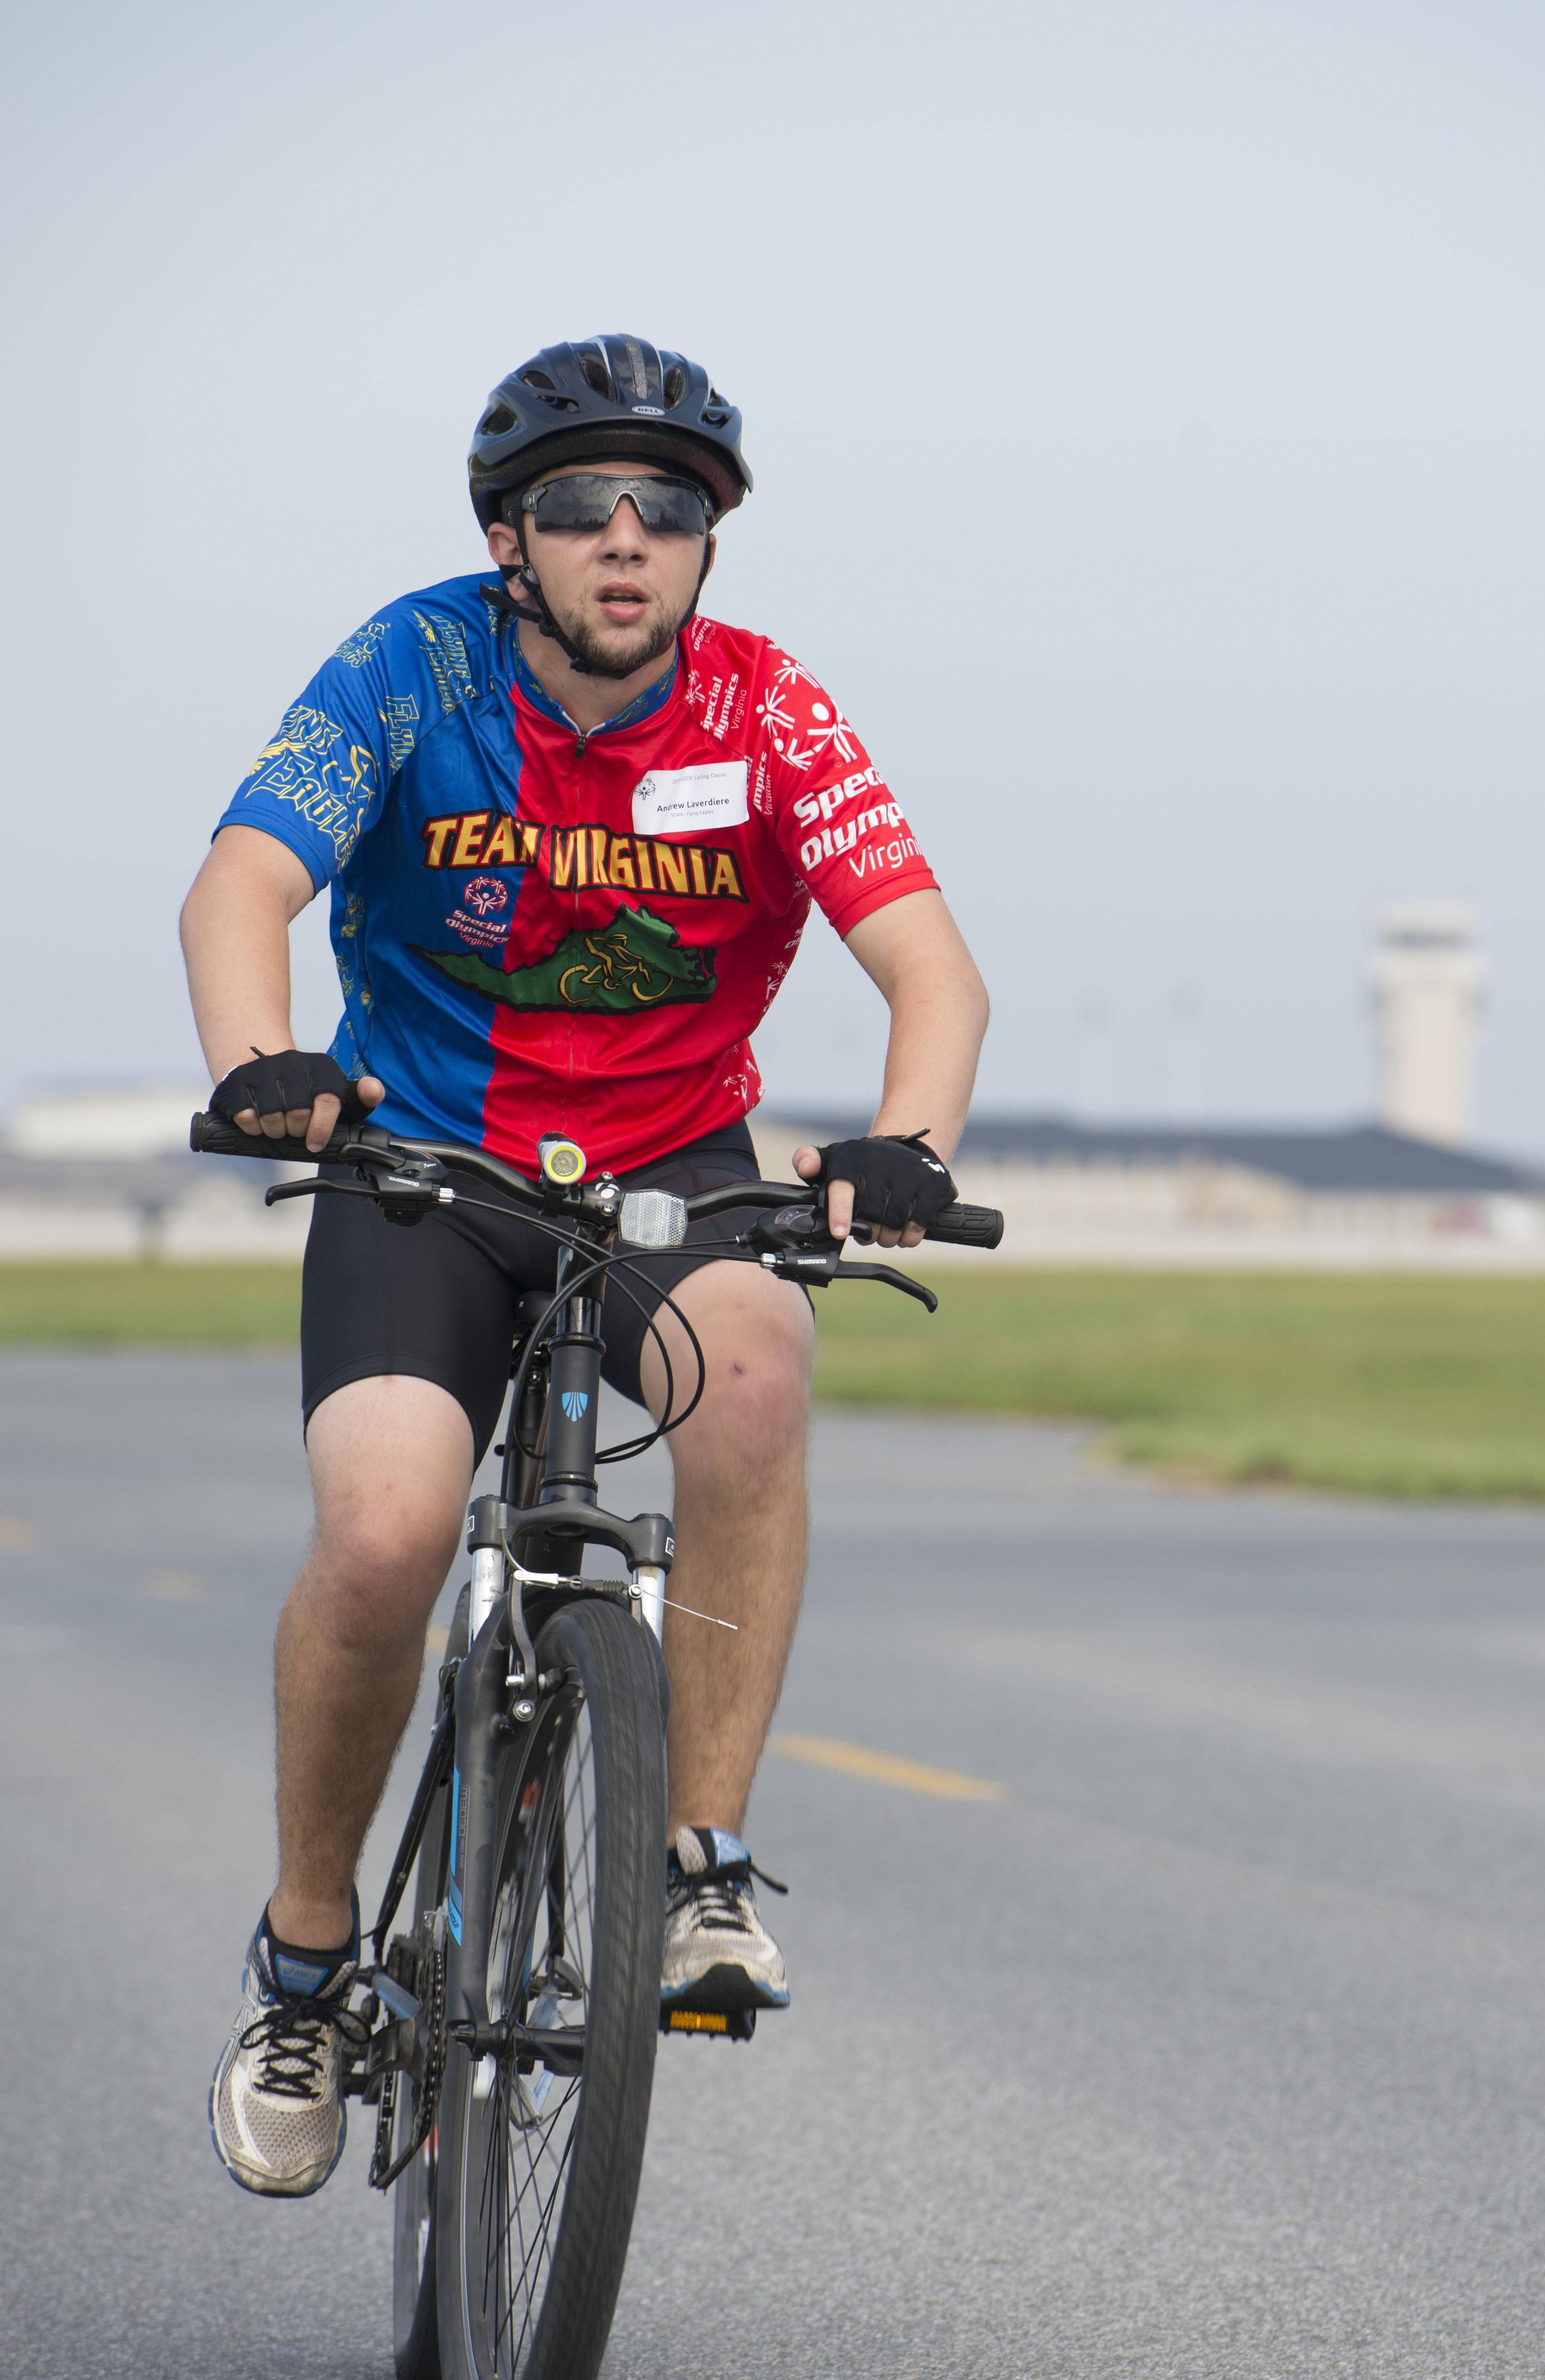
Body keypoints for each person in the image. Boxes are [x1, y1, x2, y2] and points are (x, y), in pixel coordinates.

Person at [181, 335, 988, 2197]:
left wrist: (907, 1147)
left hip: (670, 1167)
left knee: (760, 1371)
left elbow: (930, 968)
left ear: (711, 543)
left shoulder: (769, 712)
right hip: (422, 1166)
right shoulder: (413, 661)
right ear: (505, 535)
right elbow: (241, 883)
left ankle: (698, 1863)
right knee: (385, 1532)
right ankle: (306, 1965)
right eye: (576, 506)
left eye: (671, 508)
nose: (625, 539)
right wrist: (257, 1062)